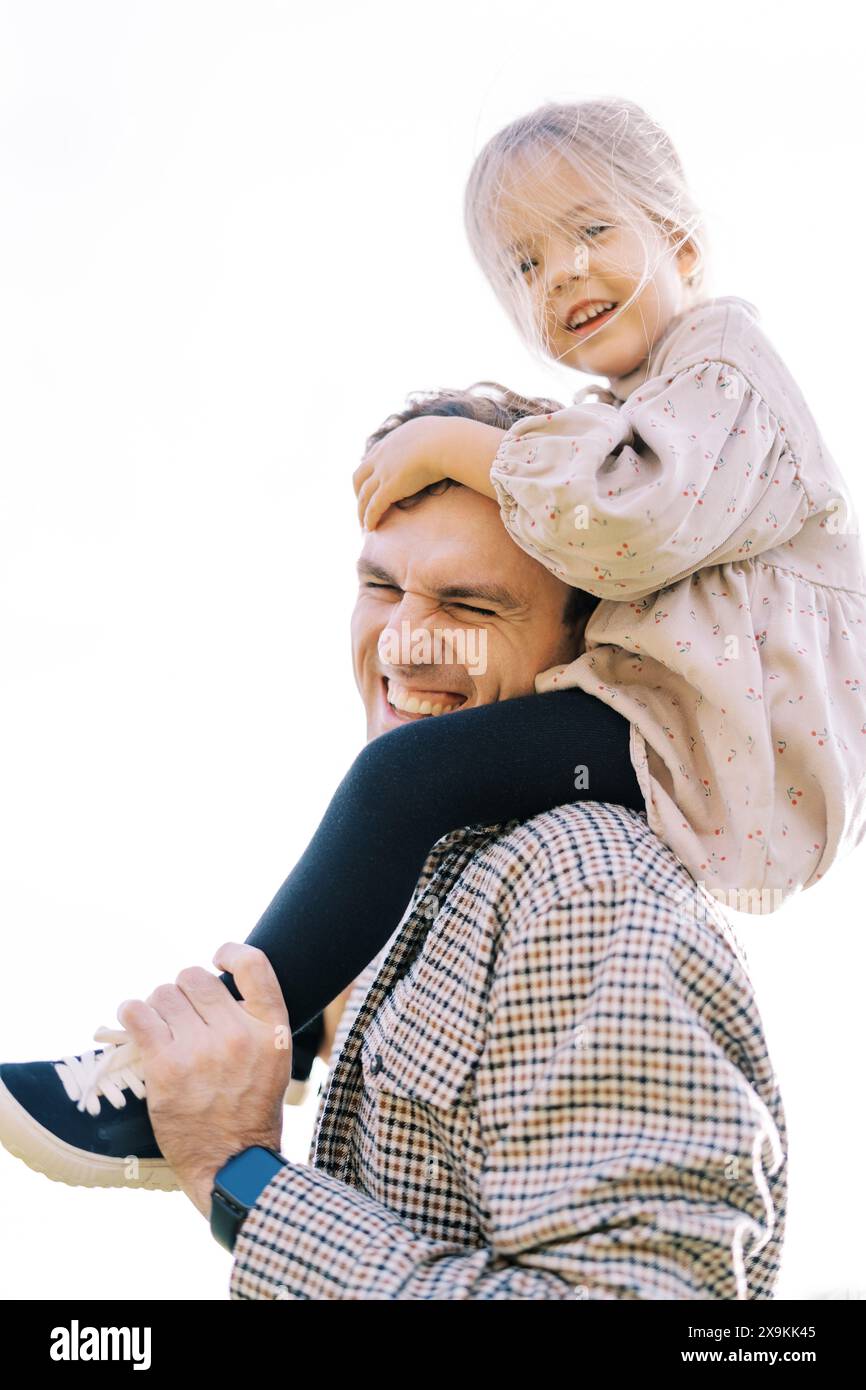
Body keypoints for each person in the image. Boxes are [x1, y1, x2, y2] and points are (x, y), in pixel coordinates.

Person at [1, 93, 864, 1185]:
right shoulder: (641, 406)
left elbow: (628, 517)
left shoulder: (724, 368)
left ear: (681, 240)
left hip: (700, 734)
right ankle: (303, 1010)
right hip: (693, 730)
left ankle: (219, 1042)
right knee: (413, 804)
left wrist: (450, 443)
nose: (559, 275)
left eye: (592, 231)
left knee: (404, 781)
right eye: (523, 265)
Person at [118, 473, 786, 1299]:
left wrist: (241, 1176)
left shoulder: (585, 886)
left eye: (471, 606)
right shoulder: (435, 884)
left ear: (594, 652)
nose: (401, 641)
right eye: (381, 586)